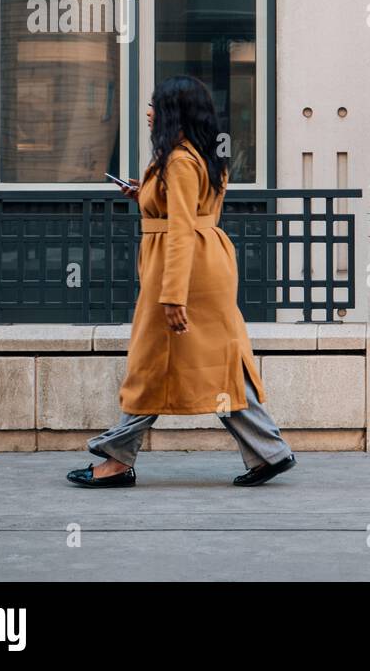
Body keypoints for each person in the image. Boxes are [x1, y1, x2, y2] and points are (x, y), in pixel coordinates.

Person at [67, 75, 295, 488]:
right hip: (205, 267)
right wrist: (145, 195)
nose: (149, 112)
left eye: (156, 105)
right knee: (218, 362)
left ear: (175, 112)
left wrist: (173, 296)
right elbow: (185, 210)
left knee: (150, 364)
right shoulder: (198, 155)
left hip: (184, 273)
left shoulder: (178, 160)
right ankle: (269, 452)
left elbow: (181, 230)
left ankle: (116, 460)